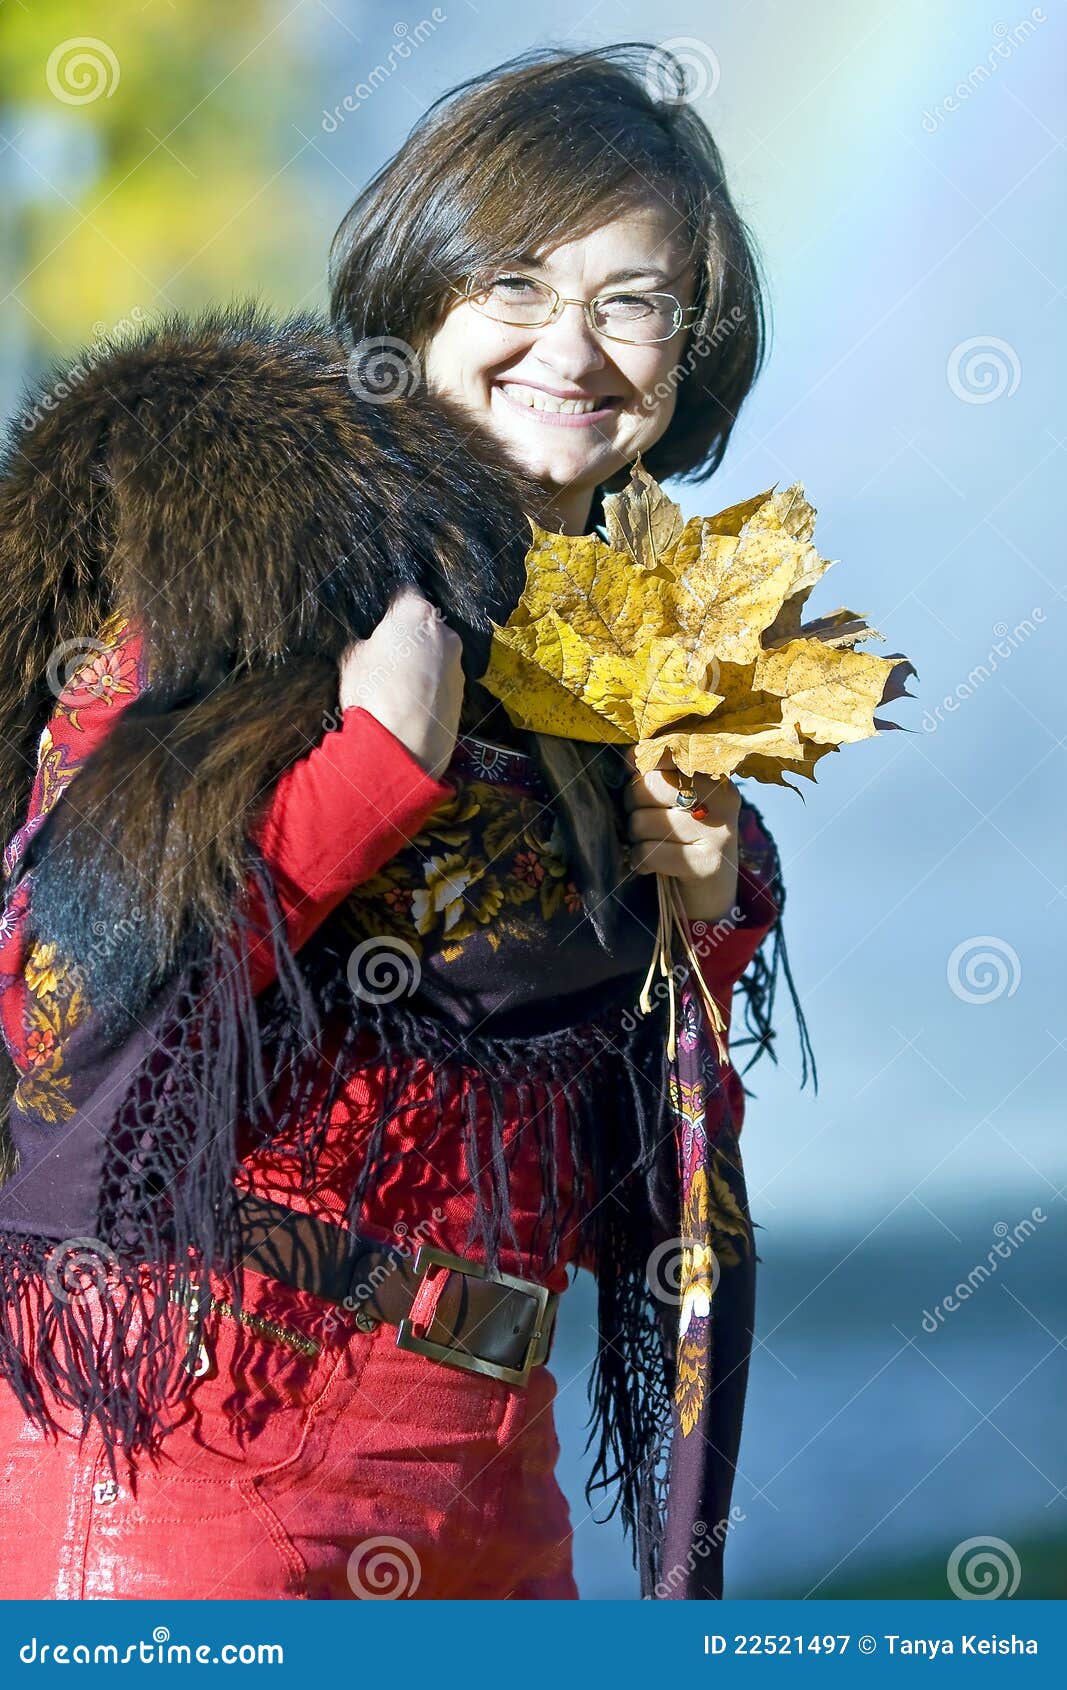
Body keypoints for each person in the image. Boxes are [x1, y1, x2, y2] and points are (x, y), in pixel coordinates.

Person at [0, 44, 813, 1600]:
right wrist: (371, 765)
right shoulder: (228, 566)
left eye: (632, 300)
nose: (571, 348)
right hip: (196, 1438)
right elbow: (56, 1007)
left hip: (493, 1470)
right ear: (421, 298)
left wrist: (703, 913)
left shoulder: (634, 671)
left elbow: (636, 1163)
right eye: (513, 280)